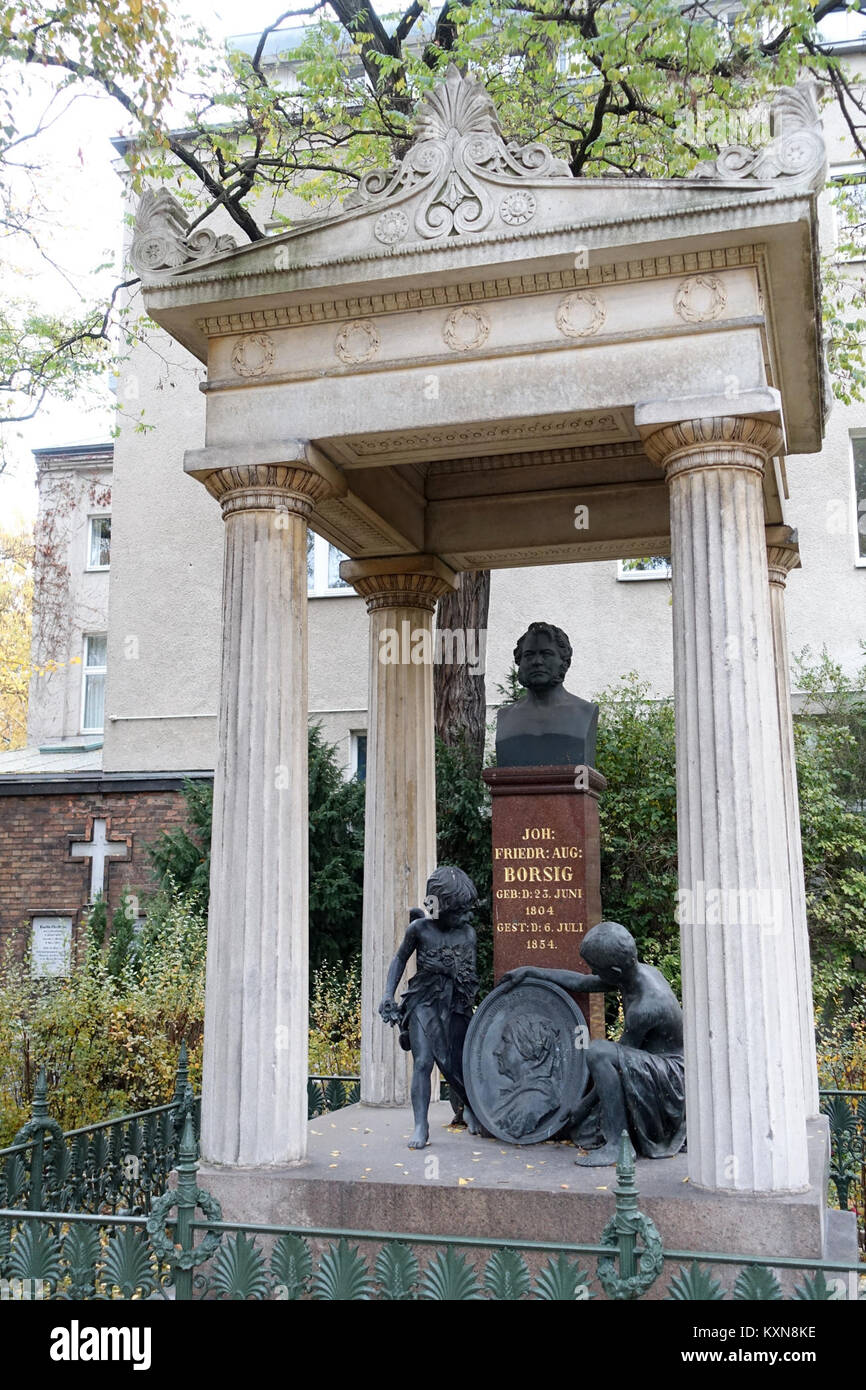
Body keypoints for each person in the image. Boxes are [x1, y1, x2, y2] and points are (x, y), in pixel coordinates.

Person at [502, 920, 685, 1165]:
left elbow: (619, 1065)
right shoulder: (634, 973)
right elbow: (581, 982)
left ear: (615, 971)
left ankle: (619, 1145)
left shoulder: (646, 1006)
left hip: (670, 1079)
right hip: (652, 1066)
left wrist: (582, 1106)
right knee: (583, 1129)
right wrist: (531, 971)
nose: (595, 974)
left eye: (596, 969)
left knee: (598, 1051)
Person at [379, 865, 480, 1150]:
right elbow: (399, 960)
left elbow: (469, 973)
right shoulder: (419, 929)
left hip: (455, 1003)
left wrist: (458, 976)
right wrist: (388, 994)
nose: (464, 917)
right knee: (423, 1062)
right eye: (458, 911)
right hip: (423, 1001)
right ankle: (420, 1124)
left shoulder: (467, 934)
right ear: (439, 906)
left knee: (459, 1063)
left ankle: (468, 1109)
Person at [495, 621, 599, 768]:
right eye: (529, 655)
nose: (537, 662)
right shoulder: (506, 717)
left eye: (546, 654)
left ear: (565, 662)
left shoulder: (584, 712)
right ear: (520, 662)